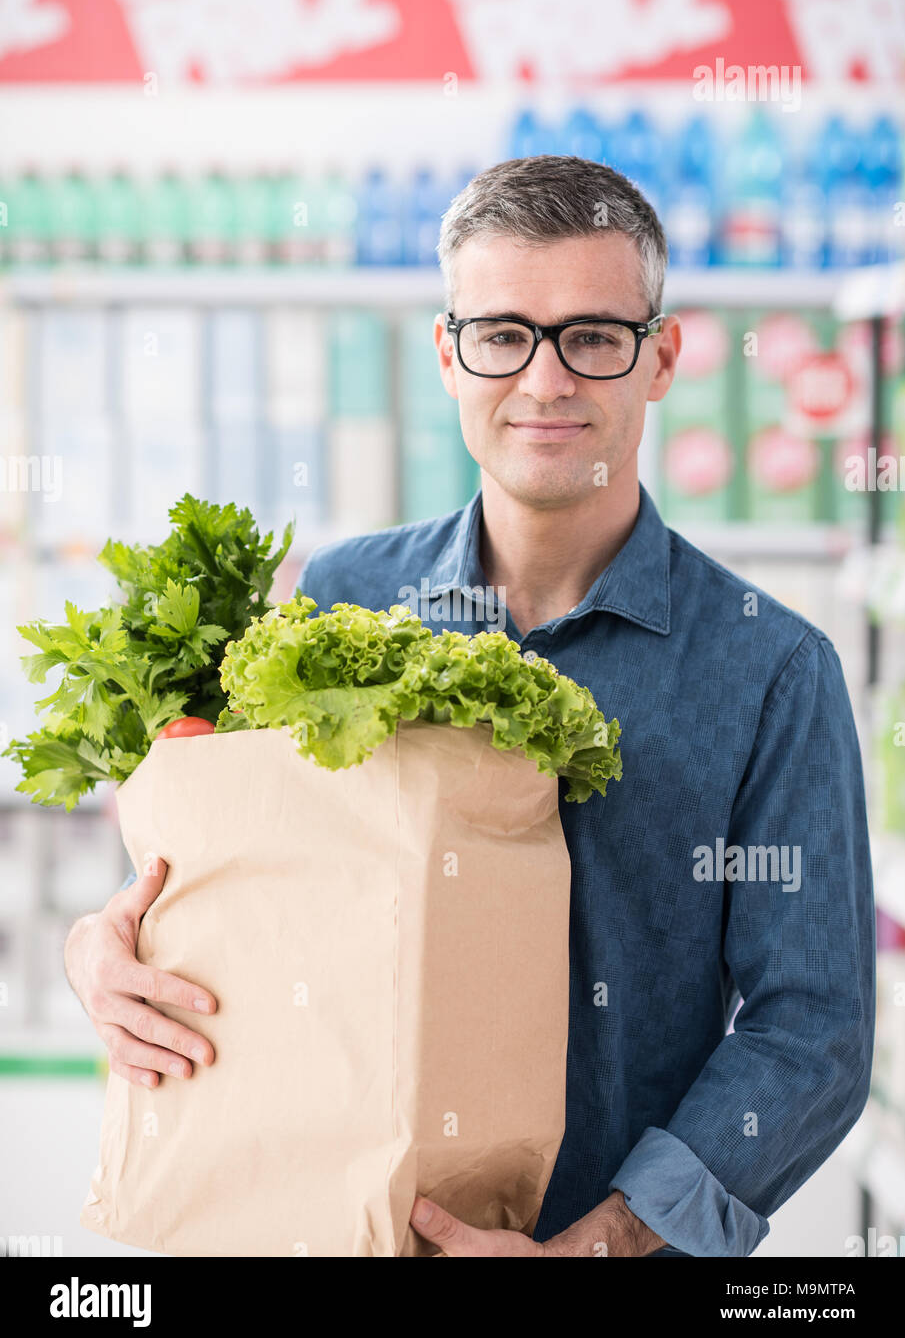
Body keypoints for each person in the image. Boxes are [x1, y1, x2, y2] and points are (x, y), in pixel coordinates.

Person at [64, 155, 875, 1258]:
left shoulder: (771, 668)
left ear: (662, 358)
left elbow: (809, 1032)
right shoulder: (341, 599)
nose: (544, 382)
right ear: (448, 355)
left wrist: (604, 1243)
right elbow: (246, 886)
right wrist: (104, 948)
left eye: (592, 336)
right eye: (502, 335)